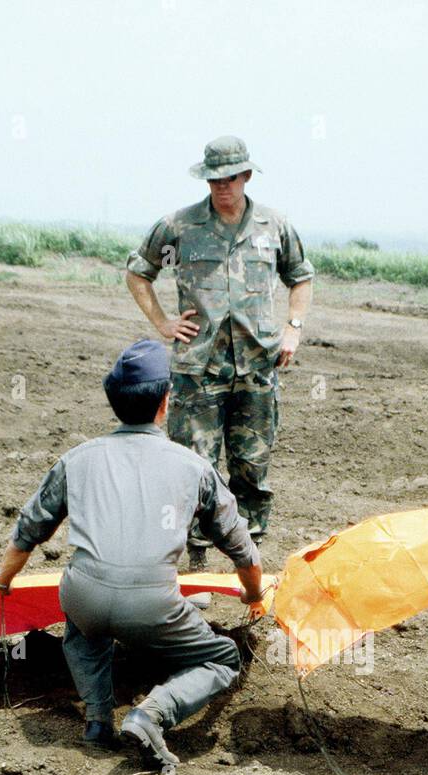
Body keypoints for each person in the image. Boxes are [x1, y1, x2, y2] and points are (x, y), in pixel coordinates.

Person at [0, 340, 263, 769]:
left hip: (84, 594)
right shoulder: (192, 466)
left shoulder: (77, 458)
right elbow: (242, 549)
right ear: (165, 403)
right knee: (222, 658)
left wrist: (2, 580)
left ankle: (97, 720)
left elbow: (29, 530)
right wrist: (253, 595)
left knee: (82, 630)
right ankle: (152, 713)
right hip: (152, 604)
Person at [125, 135, 314, 601]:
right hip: (197, 370)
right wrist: (162, 323)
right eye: (213, 179)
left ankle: (247, 565)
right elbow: (137, 271)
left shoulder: (275, 226)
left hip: (256, 369)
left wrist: (293, 328)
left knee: (251, 467)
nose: (221, 187)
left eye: (229, 179)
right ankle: (195, 569)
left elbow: (301, 276)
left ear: (246, 176)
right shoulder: (179, 226)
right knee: (194, 469)